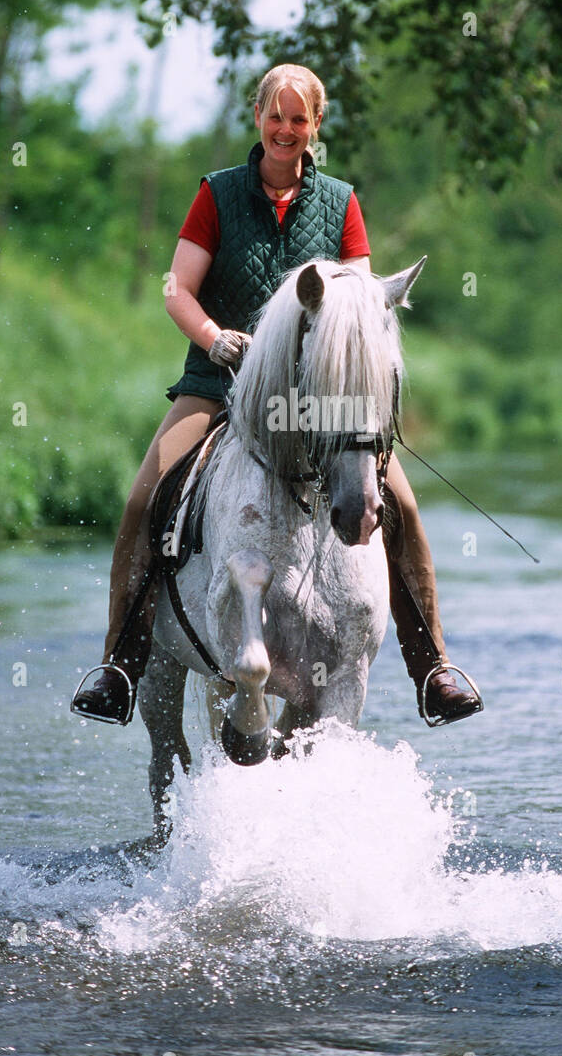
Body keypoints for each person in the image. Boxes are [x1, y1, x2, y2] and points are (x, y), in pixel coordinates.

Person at [72, 63, 481, 728]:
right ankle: (119, 661)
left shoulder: (340, 201)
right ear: (257, 116)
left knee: (400, 505)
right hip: (219, 384)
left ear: (316, 125)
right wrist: (213, 338)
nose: (285, 130)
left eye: (299, 119)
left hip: (320, 402)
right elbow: (176, 288)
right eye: (275, 116)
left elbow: (355, 309)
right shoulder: (218, 194)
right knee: (146, 496)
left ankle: (431, 665)